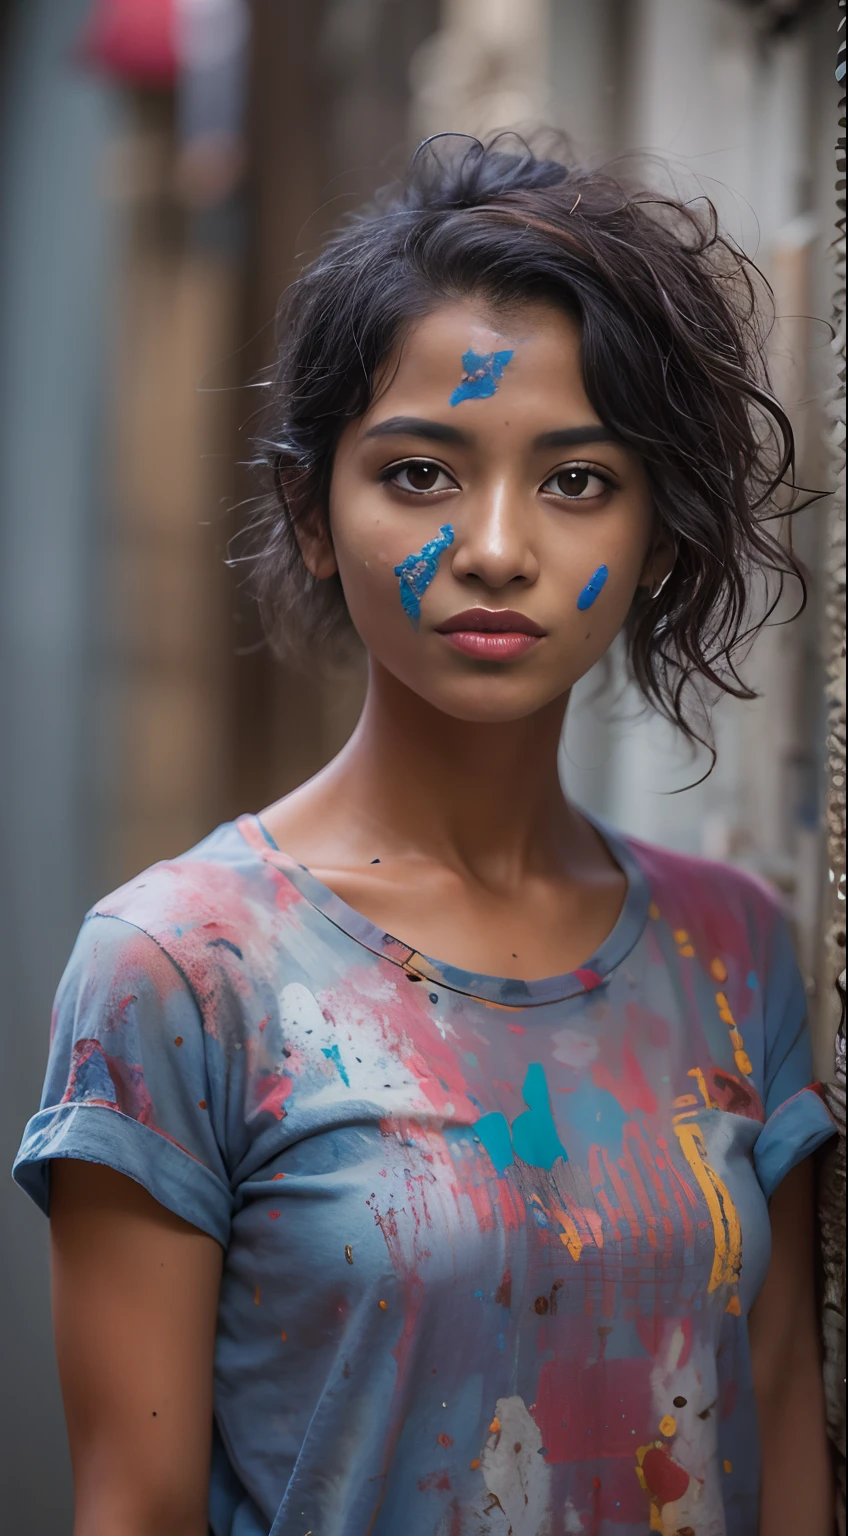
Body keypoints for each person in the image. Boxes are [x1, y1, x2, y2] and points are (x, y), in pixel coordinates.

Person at [13, 136, 837, 1536]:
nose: (498, 546)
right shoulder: (179, 970)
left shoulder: (731, 951)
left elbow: (782, 1442)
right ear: (313, 514)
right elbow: (133, 1507)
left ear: (657, 535)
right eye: (420, 473)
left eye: (577, 480)